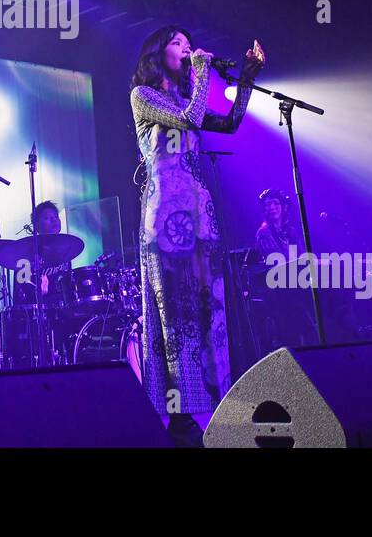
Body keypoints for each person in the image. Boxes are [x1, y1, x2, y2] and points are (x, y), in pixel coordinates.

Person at [130, 26, 263, 445]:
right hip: (165, 218)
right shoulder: (143, 97)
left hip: (200, 216)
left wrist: (246, 77)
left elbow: (232, 122)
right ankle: (180, 417)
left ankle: (217, 405)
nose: (187, 48)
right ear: (157, 53)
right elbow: (188, 119)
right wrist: (203, 69)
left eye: (189, 44)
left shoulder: (187, 97)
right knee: (175, 318)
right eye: (177, 43)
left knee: (210, 311)